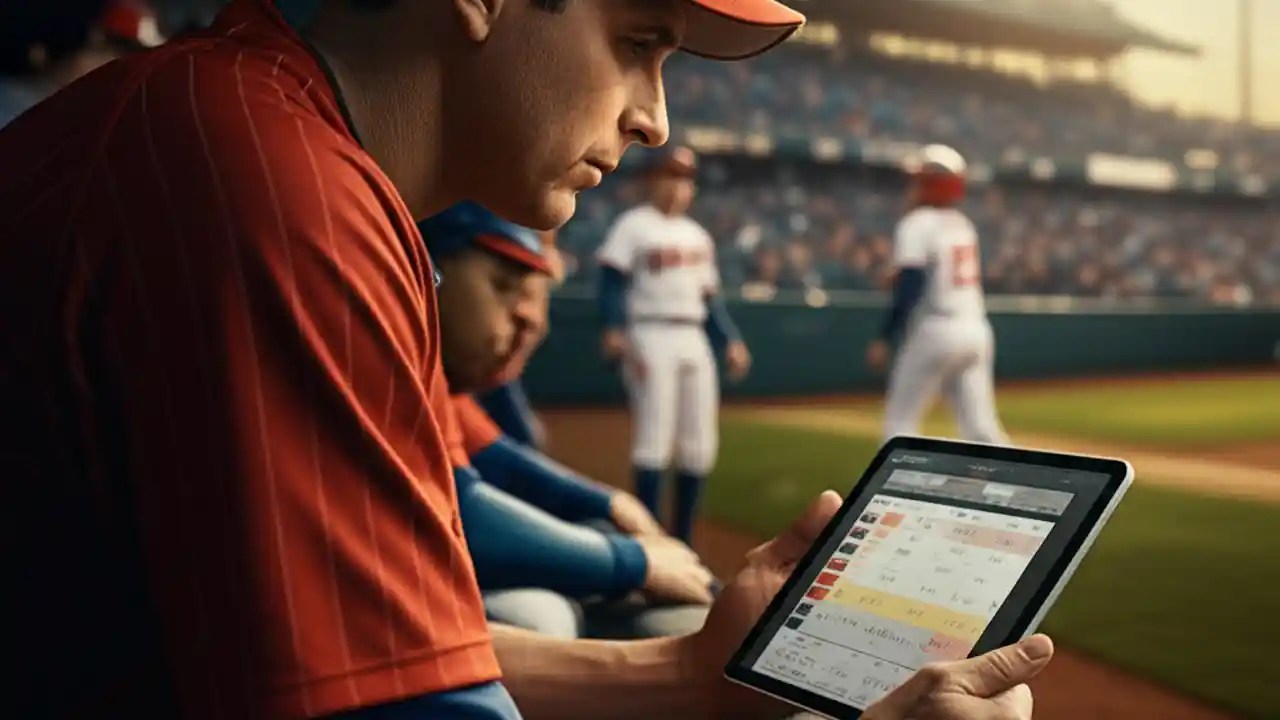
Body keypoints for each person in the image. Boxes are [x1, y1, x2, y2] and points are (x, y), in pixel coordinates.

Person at [0, 0, 1053, 717]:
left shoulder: (261, 136)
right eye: (639, 38)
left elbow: (382, 655)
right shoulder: (272, 189)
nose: (652, 117)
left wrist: (686, 672)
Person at [420, 202, 713, 640]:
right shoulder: (395, 352)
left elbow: (495, 458)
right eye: (502, 285)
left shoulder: (439, 378)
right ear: (425, 271)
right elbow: (458, 514)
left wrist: (607, 504)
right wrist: (630, 562)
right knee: (543, 617)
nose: (529, 317)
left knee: (592, 536)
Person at [597, 146, 752, 545]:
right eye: (670, 176)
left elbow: (710, 299)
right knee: (654, 438)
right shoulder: (633, 225)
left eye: (685, 179)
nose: (678, 186)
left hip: (693, 336)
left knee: (699, 444)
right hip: (649, 332)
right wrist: (614, 327)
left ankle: (682, 539)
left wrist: (730, 339)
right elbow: (611, 281)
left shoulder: (697, 235)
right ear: (653, 181)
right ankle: (648, 539)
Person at [867, 144, 1011, 446]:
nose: (912, 187)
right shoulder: (963, 224)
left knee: (899, 424)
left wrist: (885, 336)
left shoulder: (916, 223)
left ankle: (893, 492)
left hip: (937, 329)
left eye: (919, 180)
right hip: (975, 329)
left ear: (930, 184)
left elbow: (912, 285)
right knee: (981, 429)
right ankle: (1018, 486)